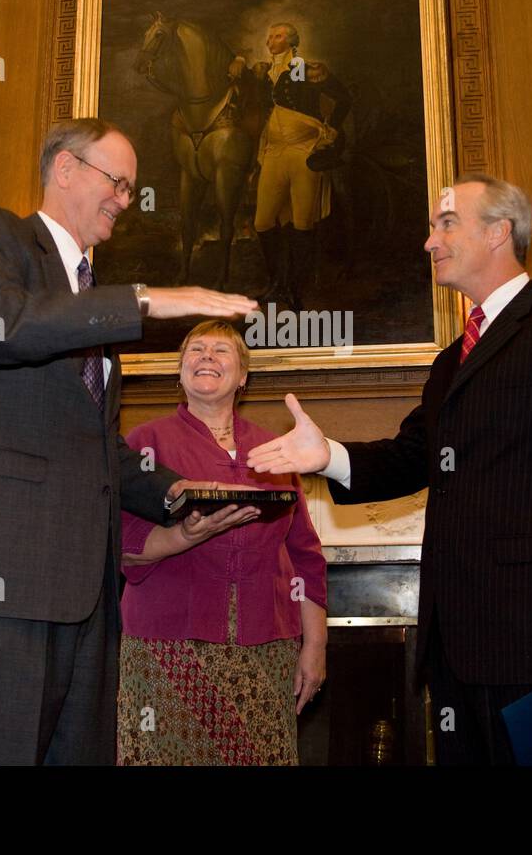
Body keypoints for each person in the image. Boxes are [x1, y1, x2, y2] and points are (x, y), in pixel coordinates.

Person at [248, 174, 532, 765]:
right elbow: (413, 459)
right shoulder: (450, 361)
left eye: (445, 224)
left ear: (498, 233)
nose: (429, 242)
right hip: (457, 644)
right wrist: (326, 455)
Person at [0, 117, 258, 765]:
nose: (126, 201)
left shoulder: (86, 297)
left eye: (132, 189)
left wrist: (180, 494)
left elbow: (100, 446)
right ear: (66, 168)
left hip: (91, 597)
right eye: (119, 182)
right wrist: (141, 300)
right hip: (7, 581)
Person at [117, 320, 328, 765]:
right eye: (196, 350)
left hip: (266, 651)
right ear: (180, 373)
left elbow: (306, 557)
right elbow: (120, 544)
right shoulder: (144, 443)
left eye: (221, 351)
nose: (207, 356)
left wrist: (315, 647)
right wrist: (183, 536)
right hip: (167, 651)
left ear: (243, 376)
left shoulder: (276, 449)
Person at [229, 22, 350, 310]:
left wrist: (330, 130)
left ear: (292, 40)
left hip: (303, 151)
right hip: (273, 152)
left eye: (278, 36)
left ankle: (295, 289)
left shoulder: (305, 69)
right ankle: (276, 285)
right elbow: (243, 81)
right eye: (269, 36)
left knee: (302, 223)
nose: (271, 40)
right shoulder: (265, 72)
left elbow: (343, 98)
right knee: (263, 221)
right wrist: (240, 59)